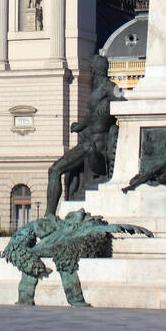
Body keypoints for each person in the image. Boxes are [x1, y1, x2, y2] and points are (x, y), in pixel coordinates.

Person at [45, 55, 123, 215]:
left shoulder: (109, 87)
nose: (92, 71)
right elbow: (91, 118)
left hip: (97, 152)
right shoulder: (96, 90)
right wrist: (80, 125)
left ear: (96, 70)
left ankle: (49, 215)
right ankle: (50, 214)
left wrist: (110, 103)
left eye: (93, 68)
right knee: (55, 170)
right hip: (88, 145)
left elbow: (124, 102)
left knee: (55, 170)